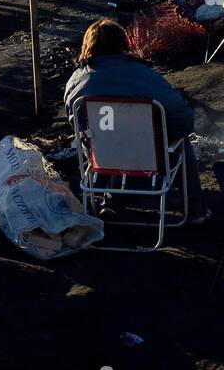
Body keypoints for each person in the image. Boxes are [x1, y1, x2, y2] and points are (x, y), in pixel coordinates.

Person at [63, 19, 207, 222]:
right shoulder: (145, 75)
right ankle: (195, 210)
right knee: (180, 143)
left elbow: (74, 120)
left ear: (89, 45)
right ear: (123, 43)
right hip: (149, 155)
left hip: (102, 156)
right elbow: (183, 120)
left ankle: (112, 201)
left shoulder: (77, 80)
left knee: (108, 136)